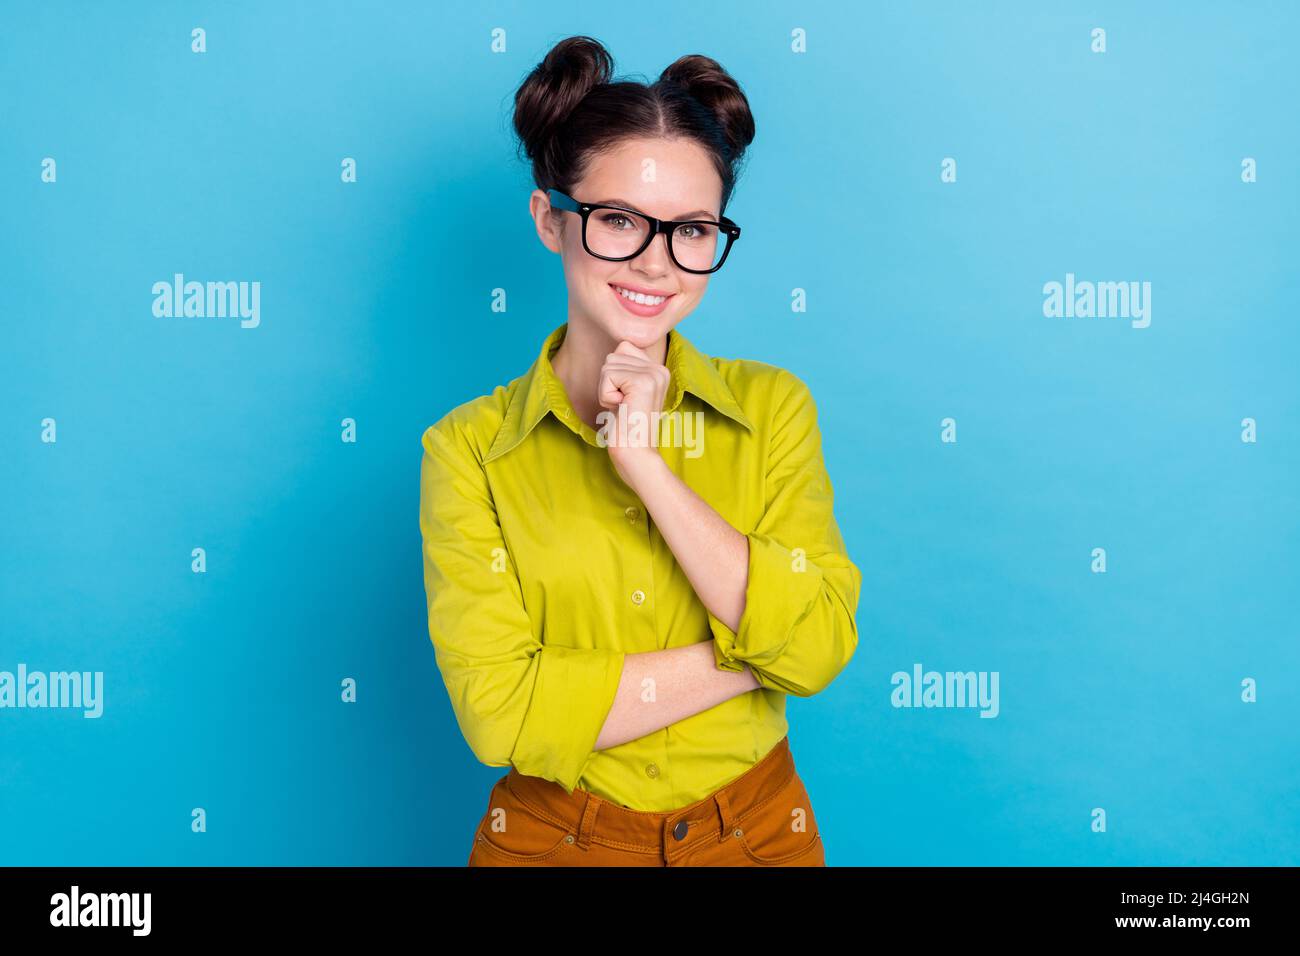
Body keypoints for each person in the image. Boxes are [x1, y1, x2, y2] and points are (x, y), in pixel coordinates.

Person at [419, 35, 862, 866]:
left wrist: (648, 469)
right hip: (554, 842)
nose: (656, 263)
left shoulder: (774, 410)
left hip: (759, 835)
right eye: (619, 220)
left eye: (691, 229)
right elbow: (502, 715)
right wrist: (755, 653)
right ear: (554, 221)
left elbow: (822, 647)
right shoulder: (465, 452)